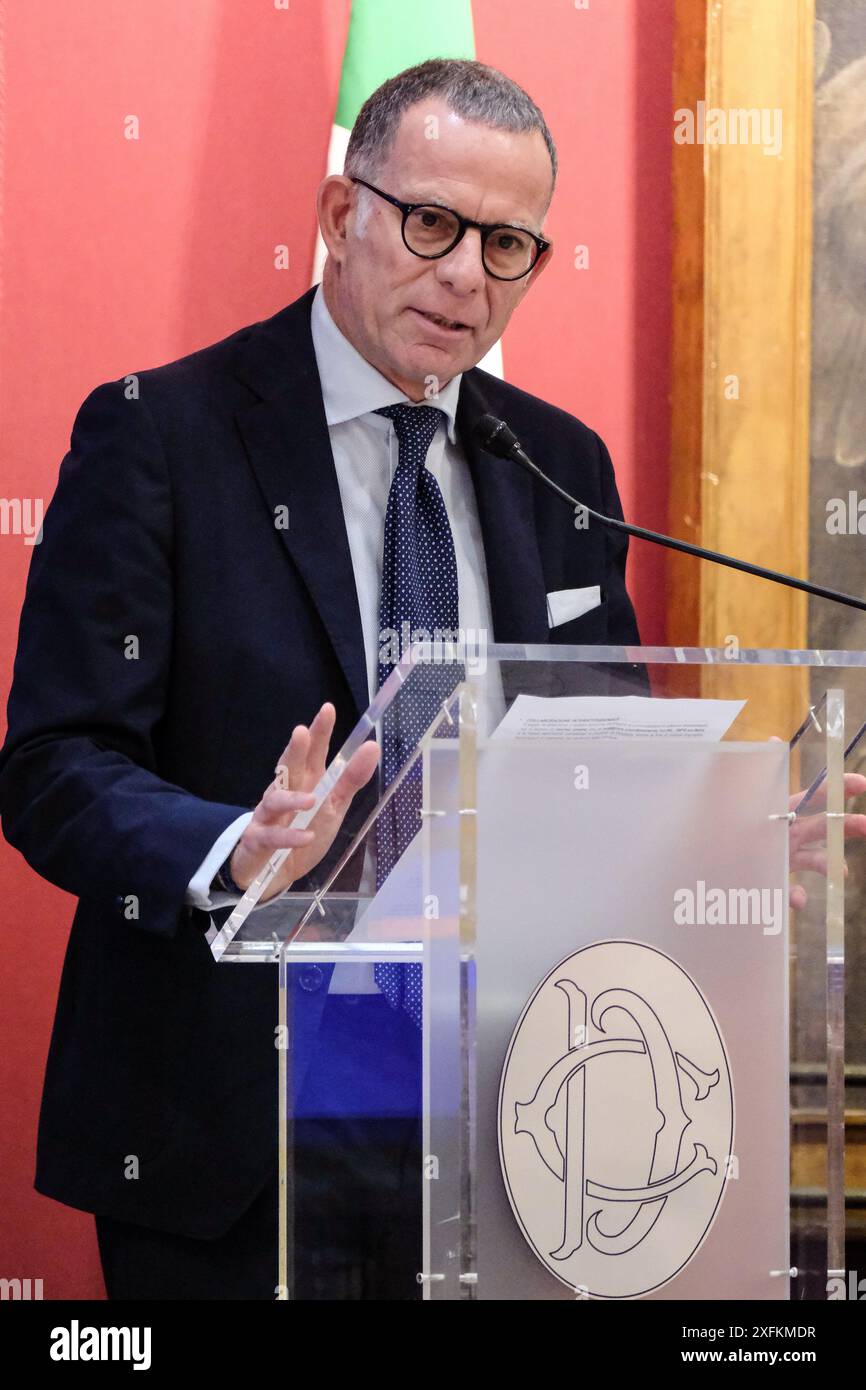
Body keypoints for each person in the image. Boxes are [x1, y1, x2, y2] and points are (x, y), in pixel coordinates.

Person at [0, 58, 646, 1300]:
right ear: (339, 215)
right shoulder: (159, 434)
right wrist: (238, 848)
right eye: (431, 222)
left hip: (499, 1115)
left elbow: (595, 759)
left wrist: (707, 836)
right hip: (231, 1115)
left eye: (507, 244)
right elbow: (55, 767)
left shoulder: (557, 464)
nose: (464, 274)